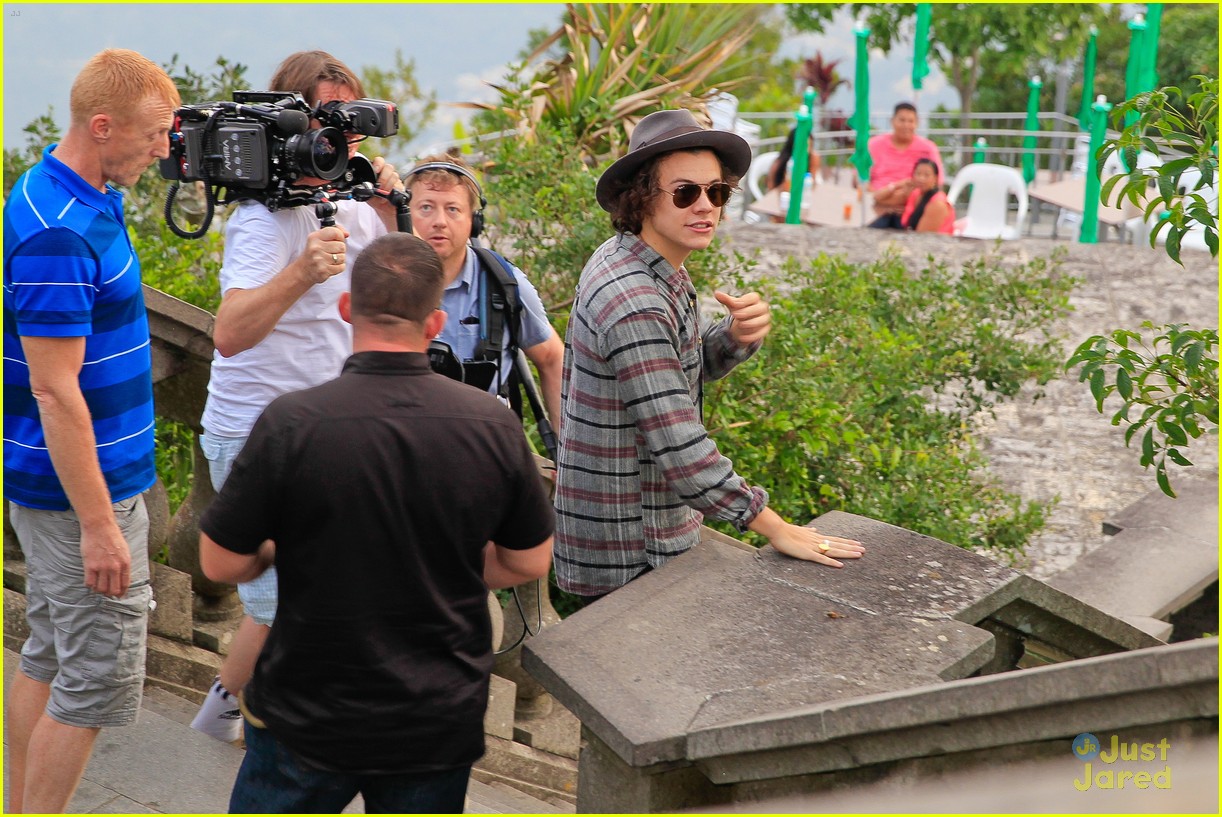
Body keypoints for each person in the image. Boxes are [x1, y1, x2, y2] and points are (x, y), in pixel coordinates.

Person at [198, 232, 554, 812]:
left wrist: (279, 551)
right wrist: (449, 566)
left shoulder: (293, 422)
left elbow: (219, 560)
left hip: (308, 708)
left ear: (346, 310)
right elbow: (528, 560)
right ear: (435, 322)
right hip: (435, 717)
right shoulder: (490, 424)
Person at [553, 109, 866, 601]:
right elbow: (678, 443)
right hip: (631, 546)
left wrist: (735, 337)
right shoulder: (631, 297)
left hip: (640, 529)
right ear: (641, 198)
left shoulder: (642, 261)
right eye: (685, 193)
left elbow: (673, 372)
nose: (705, 206)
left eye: (716, 192)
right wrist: (774, 525)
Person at [190, 50, 402, 742]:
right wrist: (300, 274)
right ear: (289, 122)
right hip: (258, 439)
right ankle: (282, 745)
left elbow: (395, 296)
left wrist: (393, 210)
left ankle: (219, 717)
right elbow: (228, 333)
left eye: (353, 123)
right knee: (291, 609)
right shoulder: (261, 220)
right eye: (329, 119)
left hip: (321, 439)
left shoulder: (352, 206)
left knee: (283, 603)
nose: (343, 139)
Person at [2, 49, 180, 813]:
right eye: (153, 134)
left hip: (73, 491)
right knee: (92, 679)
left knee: (48, 652)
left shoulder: (82, 190)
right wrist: (101, 525)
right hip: (81, 496)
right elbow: (53, 388)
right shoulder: (58, 233)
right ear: (101, 126)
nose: (164, 148)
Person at [403, 154, 563, 424]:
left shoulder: (502, 282)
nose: (439, 221)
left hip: (486, 444)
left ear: (474, 221)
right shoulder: (387, 280)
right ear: (407, 213)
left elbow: (551, 358)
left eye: (452, 209)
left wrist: (567, 454)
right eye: (426, 207)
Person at [867, 102, 944, 229]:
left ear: (917, 123)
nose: (906, 125)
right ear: (892, 121)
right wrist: (883, 201)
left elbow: (937, 184)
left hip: (911, 209)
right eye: (902, 120)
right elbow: (862, 181)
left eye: (910, 121)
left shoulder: (928, 148)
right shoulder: (874, 145)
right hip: (875, 207)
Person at [900, 158, 955, 234]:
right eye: (918, 174)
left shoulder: (938, 204)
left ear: (935, 178)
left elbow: (922, 236)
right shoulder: (915, 194)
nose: (921, 179)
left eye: (926, 175)